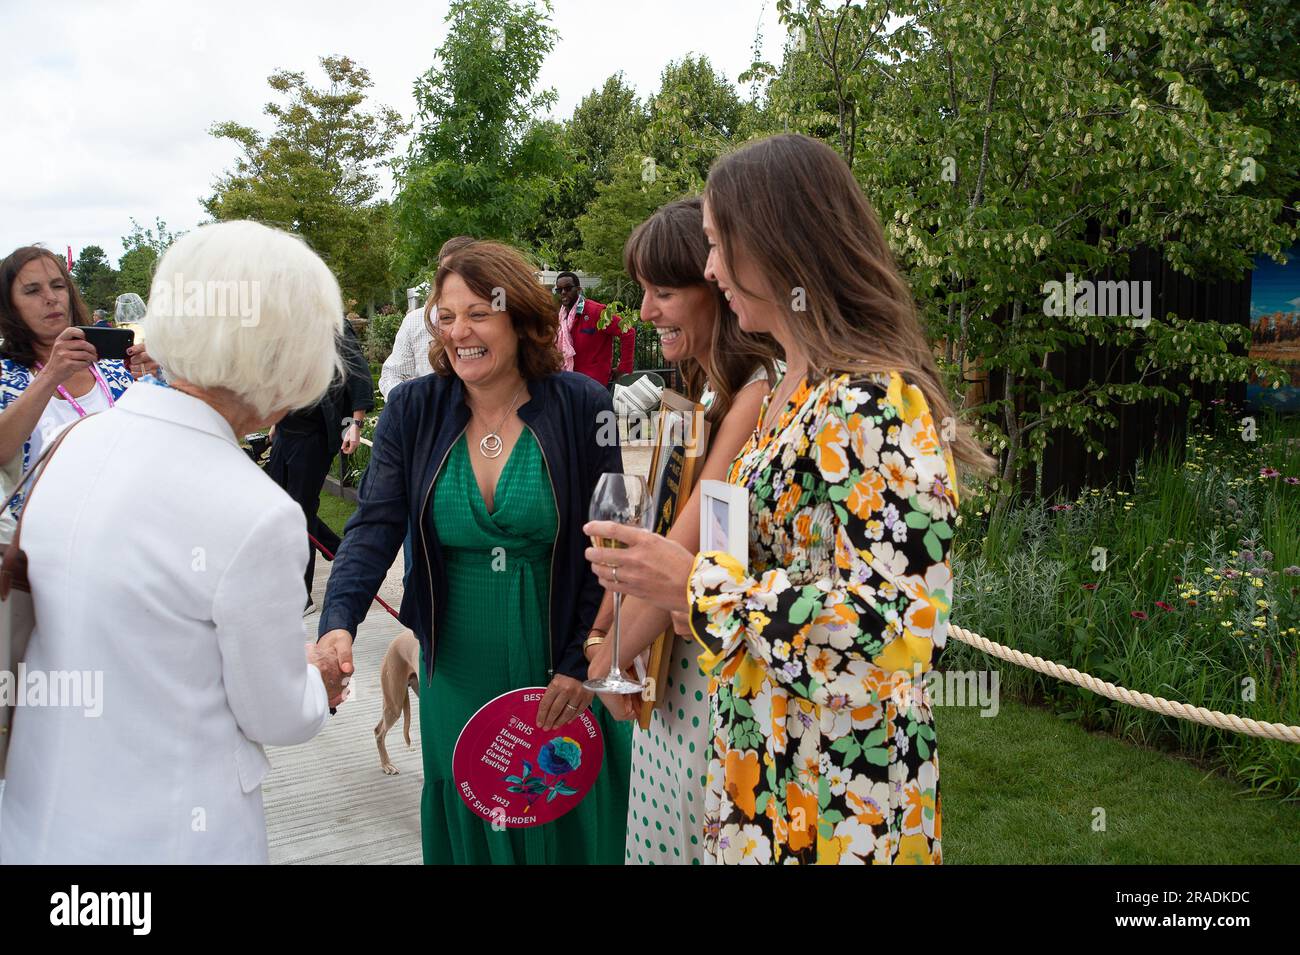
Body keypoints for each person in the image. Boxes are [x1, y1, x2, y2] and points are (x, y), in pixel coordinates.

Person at [582, 134, 993, 865]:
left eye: (717, 244)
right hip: (757, 777)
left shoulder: (873, 400)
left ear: (776, 243)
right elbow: (760, 571)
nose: (709, 268)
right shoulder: (790, 398)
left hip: (838, 800)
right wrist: (680, 604)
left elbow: (897, 630)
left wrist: (695, 588)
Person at [0, 220, 349, 864]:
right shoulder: (256, 511)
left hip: (37, 818)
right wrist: (318, 680)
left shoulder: (73, 443)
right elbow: (275, 714)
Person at [317, 240, 632, 865]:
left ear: (519, 317)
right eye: (446, 315)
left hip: (559, 658)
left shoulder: (582, 406)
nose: (459, 331)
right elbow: (374, 525)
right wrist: (337, 624)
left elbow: (612, 542)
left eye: (478, 314)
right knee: (474, 806)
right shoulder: (414, 409)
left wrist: (582, 659)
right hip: (457, 658)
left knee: (561, 806)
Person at [582, 197, 779, 865]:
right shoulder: (706, 396)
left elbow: (688, 549)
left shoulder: (754, 395)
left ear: (717, 290)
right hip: (675, 671)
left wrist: (602, 664)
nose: (644, 312)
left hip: (707, 678)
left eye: (663, 291)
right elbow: (652, 531)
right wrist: (604, 634)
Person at [0, 247, 156, 522]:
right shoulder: (7, 374)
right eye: (32, 290)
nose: (50, 298)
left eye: (58, 286)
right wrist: (50, 376)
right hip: (45, 538)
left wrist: (154, 383)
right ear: (9, 305)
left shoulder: (111, 366)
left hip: (127, 521)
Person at [265, 316, 374, 613]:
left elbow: (357, 371)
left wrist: (355, 423)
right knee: (278, 507)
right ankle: (338, 549)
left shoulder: (330, 321)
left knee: (301, 511)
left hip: (315, 432)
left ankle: (302, 595)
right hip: (287, 428)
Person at [378, 236, 475, 400]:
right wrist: (411, 400)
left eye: (467, 271)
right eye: (449, 271)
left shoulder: (497, 318)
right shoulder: (415, 321)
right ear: (439, 272)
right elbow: (391, 375)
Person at [554, 271, 635, 387]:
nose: (563, 292)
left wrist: (623, 367)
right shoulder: (561, 316)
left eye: (567, 288)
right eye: (559, 290)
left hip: (594, 384)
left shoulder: (596, 311)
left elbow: (628, 332)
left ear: (578, 289)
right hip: (570, 382)